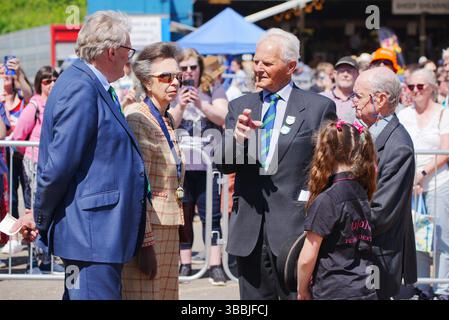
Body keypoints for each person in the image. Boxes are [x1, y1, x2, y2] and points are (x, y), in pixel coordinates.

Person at [28, 11, 149, 300]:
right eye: (127, 51)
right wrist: (39, 216)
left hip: (94, 236)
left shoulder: (89, 84)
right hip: (91, 237)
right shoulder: (82, 87)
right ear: (111, 52)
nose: (129, 59)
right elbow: (59, 165)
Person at [216, 28, 337, 300]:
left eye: (267, 63)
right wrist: (238, 139)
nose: (258, 69)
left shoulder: (318, 107)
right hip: (249, 232)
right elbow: (223, 164)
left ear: (291, 66)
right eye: (256, 61)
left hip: (295, 232)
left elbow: (327, 171)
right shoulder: (240, 107)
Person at [121, 42, 185, 300]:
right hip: (149, 231)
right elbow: (137, 187)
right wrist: (145, 244)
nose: (175, 83)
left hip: (168, 225)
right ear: (147, 83)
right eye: (166, 77)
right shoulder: (138, 118)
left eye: (177, 76)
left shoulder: (165, 117)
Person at [352, 66, 417, 300]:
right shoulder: (370, 133)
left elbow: (380, 212)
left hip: (378, 256)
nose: (353, 102)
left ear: (379, 100)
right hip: (361, 250)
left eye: (357, 96)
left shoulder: (398, 146)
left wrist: (337, 222)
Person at [297, 120, 378, 300]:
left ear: (327, 151)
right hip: (365, 288)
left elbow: (306, 258)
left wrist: (302, 290)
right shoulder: (362, 191)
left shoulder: (327, 200)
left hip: (334, 291)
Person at [170, 48, 228, 286]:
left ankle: (215, 265)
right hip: (181, 169)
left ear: (200, 68)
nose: (189, 72)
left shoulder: (213, 89)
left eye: (193, 67)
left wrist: (201, 104)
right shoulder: (172, 91)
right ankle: (186, 264)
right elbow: (165, 124)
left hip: (208, 168)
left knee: (212, 217)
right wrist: (181, 106)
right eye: (184, 68)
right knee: (182, 218)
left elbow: (224, 117)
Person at [398, 68, 449, 300]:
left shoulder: (443, 113)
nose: (414, 91)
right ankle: (422, 287)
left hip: (438, 182)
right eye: (410, 87)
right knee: (417, 238)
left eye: (420, 86)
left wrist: (423, 173)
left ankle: (441, 289)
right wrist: (411, 177)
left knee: (441, 239)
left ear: (432, 88)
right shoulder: (404, 115)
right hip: (410, 185)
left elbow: (446, 150)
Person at [12, 65, 64, 274]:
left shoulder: (58, 103)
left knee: (49, 210)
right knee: (34, 211)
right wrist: (32, 155)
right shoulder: (34, 105)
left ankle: (47, 259)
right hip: (34, 165)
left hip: (51, 165)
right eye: (46, 81)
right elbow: (17, 137)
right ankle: (36, 261)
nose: (51, 84)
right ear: (39, 83)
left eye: (54, 79)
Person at [0, 59, 33, 255]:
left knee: (24, 196)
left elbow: (30, 94)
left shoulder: (20, 95)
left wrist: (19, 72)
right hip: (6, 157)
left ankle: (27, 235)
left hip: (20, 154)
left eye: (7, 77)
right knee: (9, 199)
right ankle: (14, 235)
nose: (5, 79)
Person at [320, 56, 359, 122]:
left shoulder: (361, 100)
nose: (345, 74)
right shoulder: (321, 98)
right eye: (342, 71)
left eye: (349, 71)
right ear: (334, 74)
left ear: (357, 74)